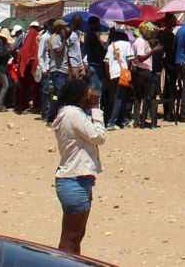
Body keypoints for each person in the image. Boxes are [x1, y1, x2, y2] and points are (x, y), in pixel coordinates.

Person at [50, 77, 106, 255]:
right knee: (70, 238)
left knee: (77, 235)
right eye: (88, 92)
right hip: (75, 182)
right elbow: (99, 136)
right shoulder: (73, 114)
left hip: (76, 180)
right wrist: (97, 110)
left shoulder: (69, 113)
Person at [131, 23, 161, 128]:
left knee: (138, 97)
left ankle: (138, 120)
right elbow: (140, 57)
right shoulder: (140, 41)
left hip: (140, 70)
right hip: (143, 71)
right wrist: (153, 51)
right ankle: (143, 121)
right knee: (149, 96)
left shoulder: (143, 41)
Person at [44, 21, 70, 123]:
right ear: (59, 29)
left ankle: (51, 116)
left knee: (56, 95)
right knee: (60, 94)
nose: (65, 29)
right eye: (63, 28)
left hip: (64, 71)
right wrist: (64, 40)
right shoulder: (55, 40)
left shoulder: (65, 41)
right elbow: (59, 52)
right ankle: (51, 117)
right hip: (57, 71)